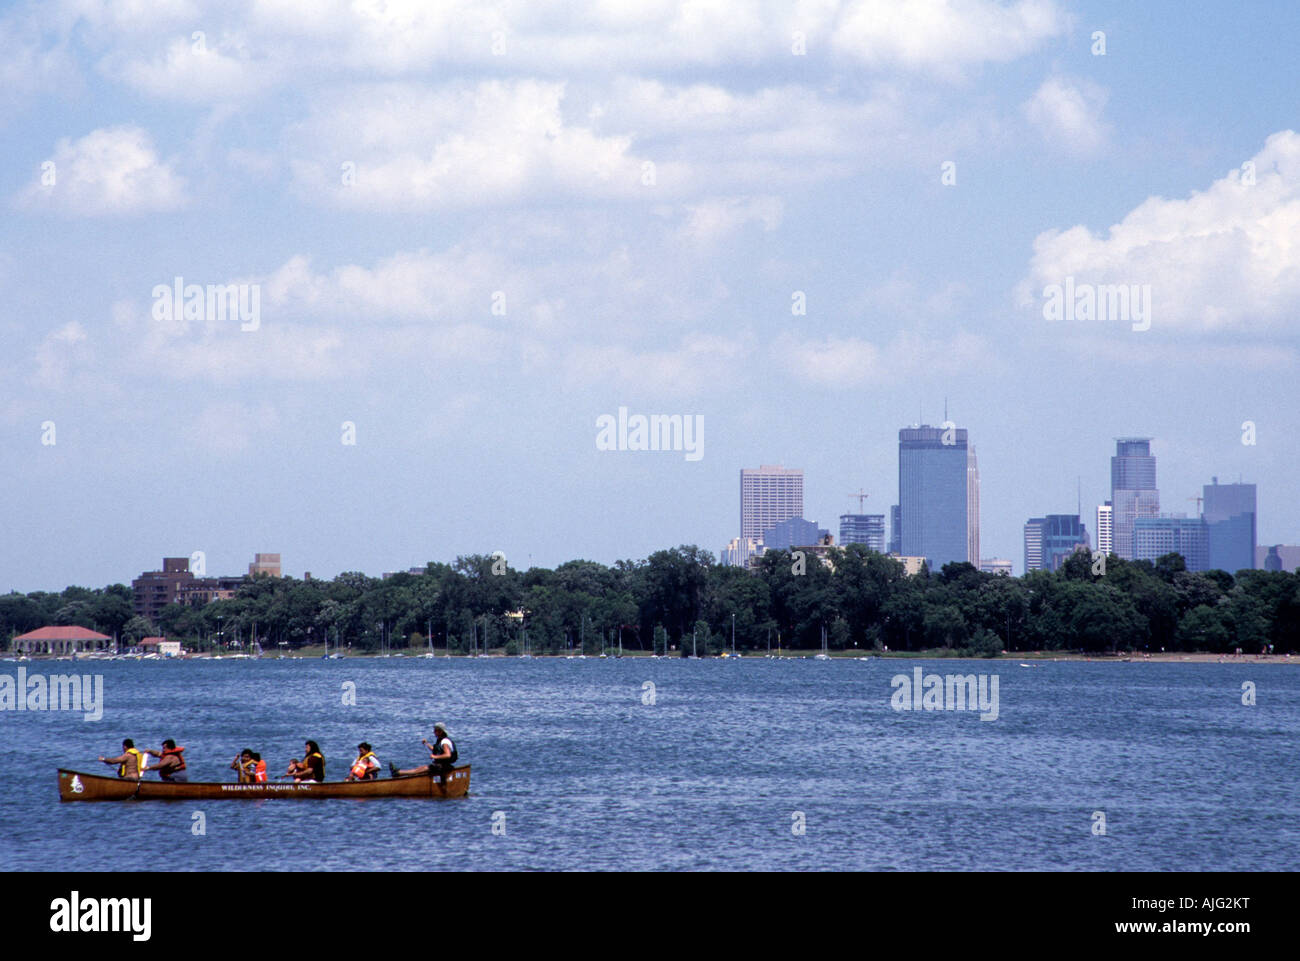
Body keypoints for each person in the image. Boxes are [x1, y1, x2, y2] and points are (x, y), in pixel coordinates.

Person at [390, 723, 457, 781]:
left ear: (440, 732)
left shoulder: (444, 742)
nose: (434, 732)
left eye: (435, 731)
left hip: (444, 766)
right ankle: (398, 773)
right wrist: (426, 743)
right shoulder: (441, 741)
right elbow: (435, 749)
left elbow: (448, 755)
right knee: (420, 768)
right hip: (440, 765)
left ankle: (398, 773)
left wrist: (435, 756)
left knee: (419, 770)